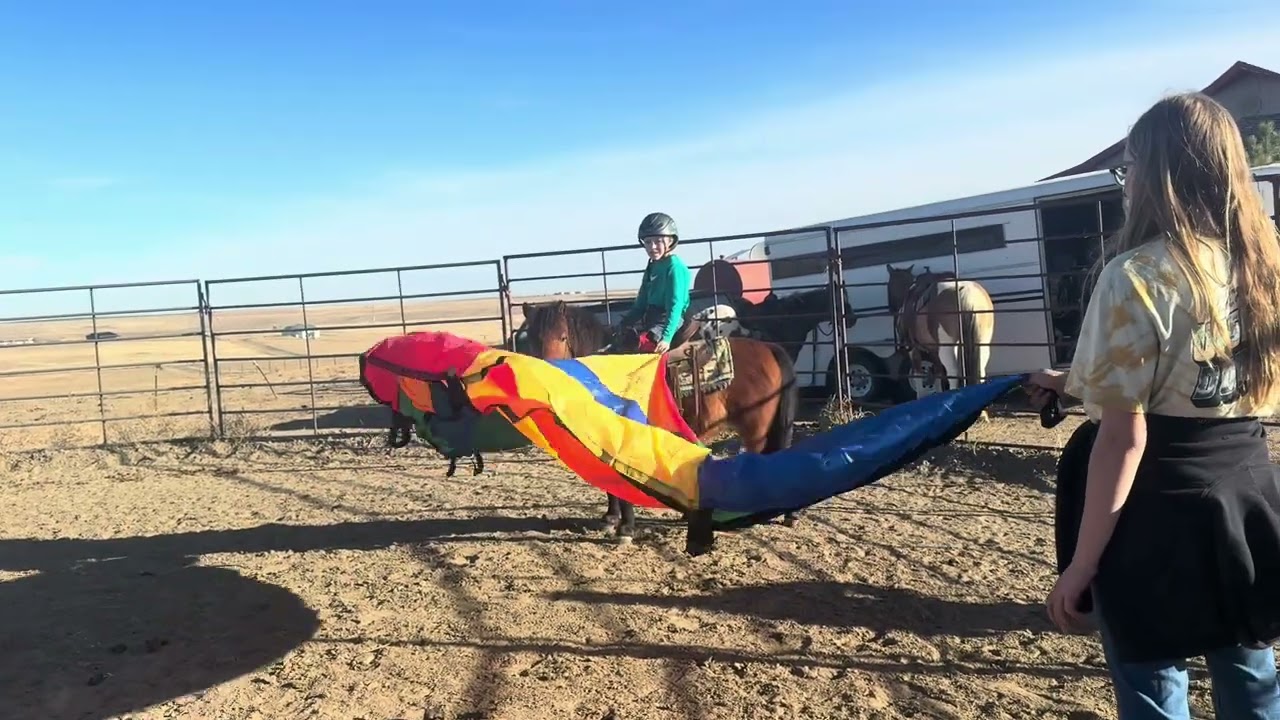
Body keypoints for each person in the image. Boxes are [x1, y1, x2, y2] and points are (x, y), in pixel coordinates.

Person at [1025, 92, 1280, 719]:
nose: (1127, 178)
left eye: (1131, 164)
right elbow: (1206, 376)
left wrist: (1079, 569)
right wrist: (1074, 380)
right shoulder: (1264, 265)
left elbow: (1125, 438)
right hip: (1246, 492)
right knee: (1248, 669)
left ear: (1159, 172)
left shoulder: (1136, 275)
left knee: (1151, 680)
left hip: (1156, 509)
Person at [615, 212, 692, 354]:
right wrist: (624, 323)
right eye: (648, 242)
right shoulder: (652, 266)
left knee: (645, 347)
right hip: (652, 316)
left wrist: (666, 338)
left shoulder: (674, 267)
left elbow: (675, 306)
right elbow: (641, 303)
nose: (653, 247)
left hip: (670, 319)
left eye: (658, 241)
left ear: (670, 241)